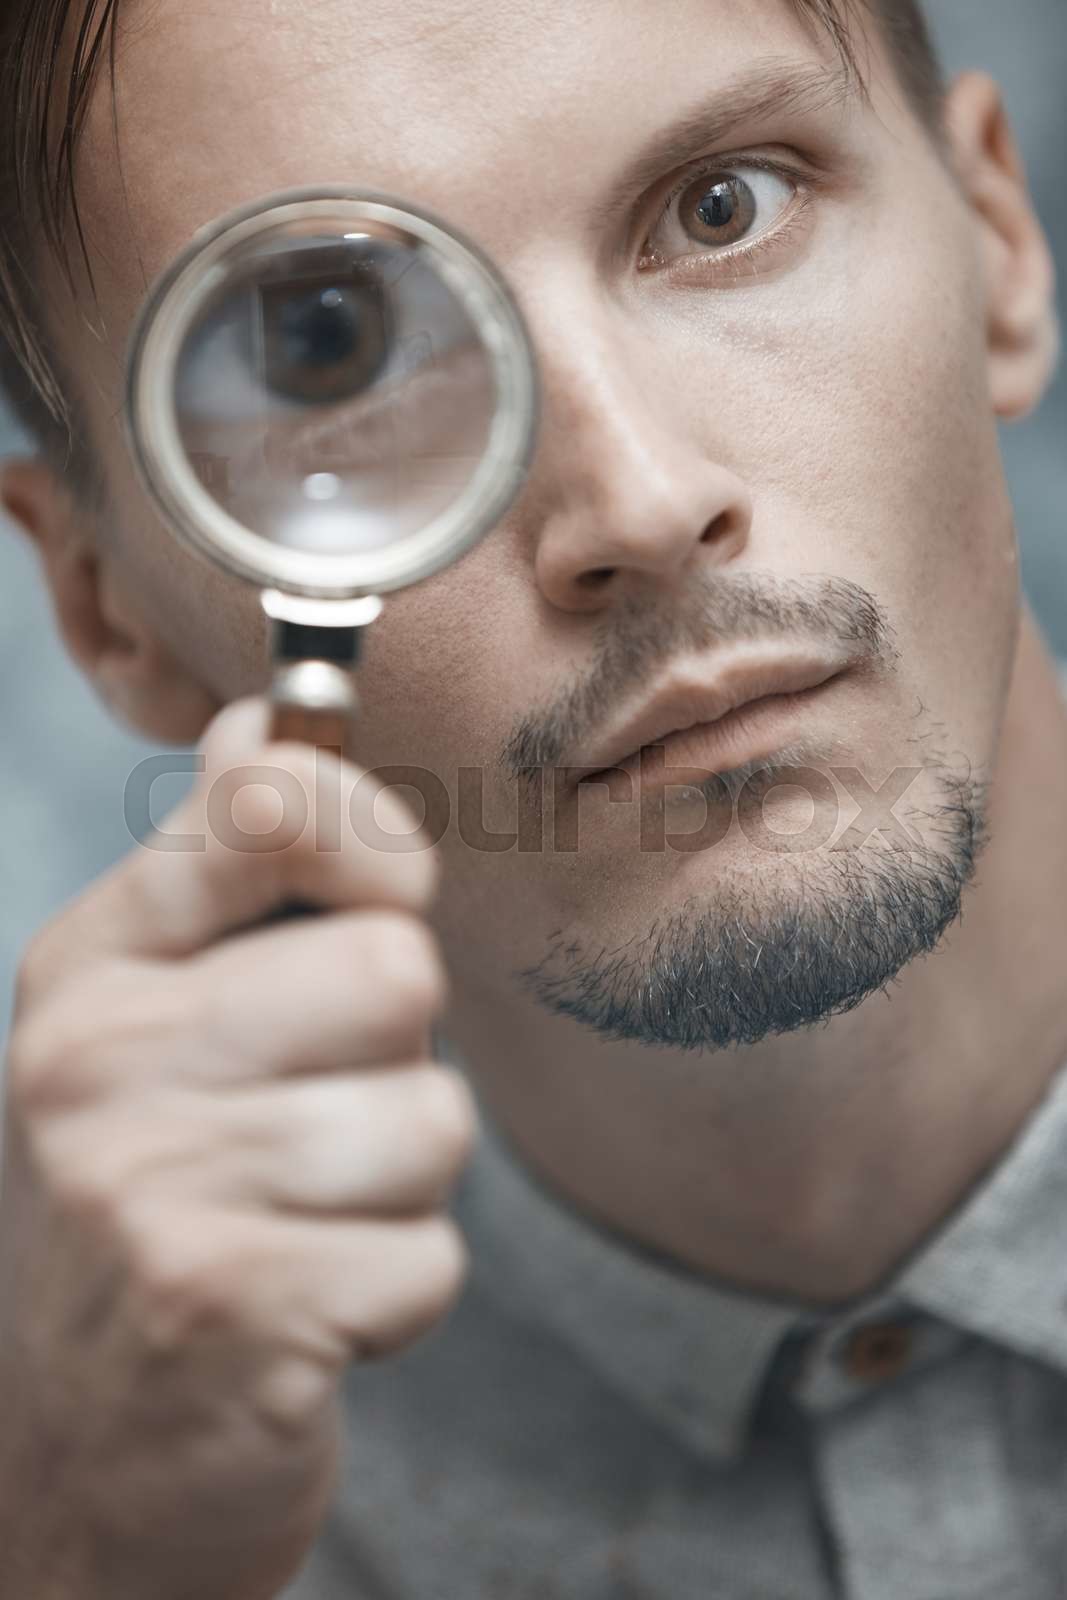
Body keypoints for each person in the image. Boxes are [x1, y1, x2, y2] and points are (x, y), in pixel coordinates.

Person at [0, 0, 1065, 1594]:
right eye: (330, 345)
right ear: (108, 612)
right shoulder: (123, 1490)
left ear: (996, 242)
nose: (633, 501)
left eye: (726, 207)